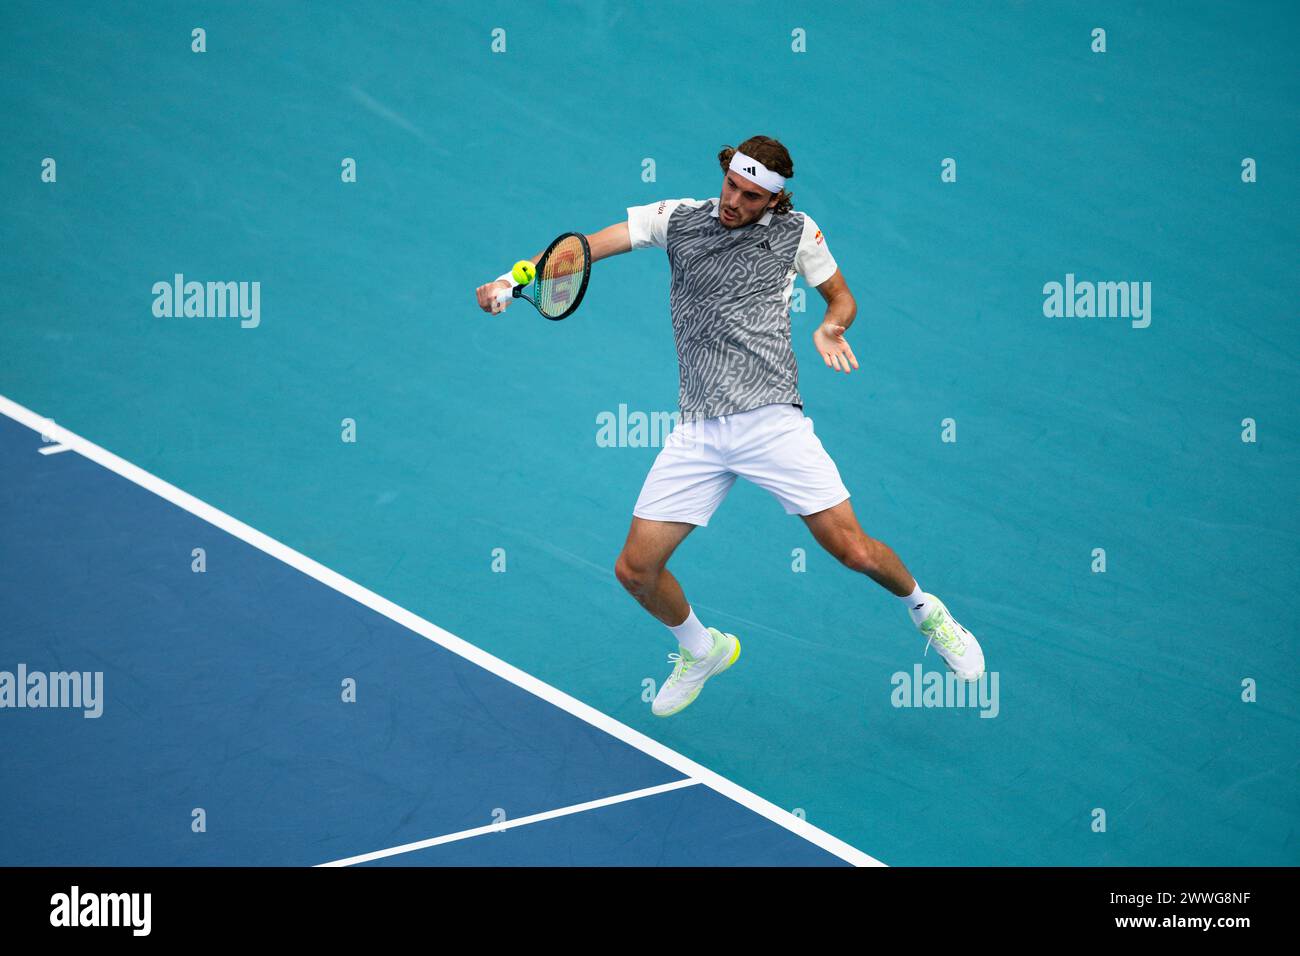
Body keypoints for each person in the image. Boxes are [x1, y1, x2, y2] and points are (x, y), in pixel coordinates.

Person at [476, 135, 985, 717]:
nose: (733, 202)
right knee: (635, 569)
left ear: (773, 201)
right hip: (698, 429)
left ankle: (928, 612)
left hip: (772, 421)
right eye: (731, 186)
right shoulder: (675, 218)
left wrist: (831, 327)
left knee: (855, 552)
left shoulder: (798, 233)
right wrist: (511, 284)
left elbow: (842, 299)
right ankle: (702, 649)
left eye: (749, 196)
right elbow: (583, 250)